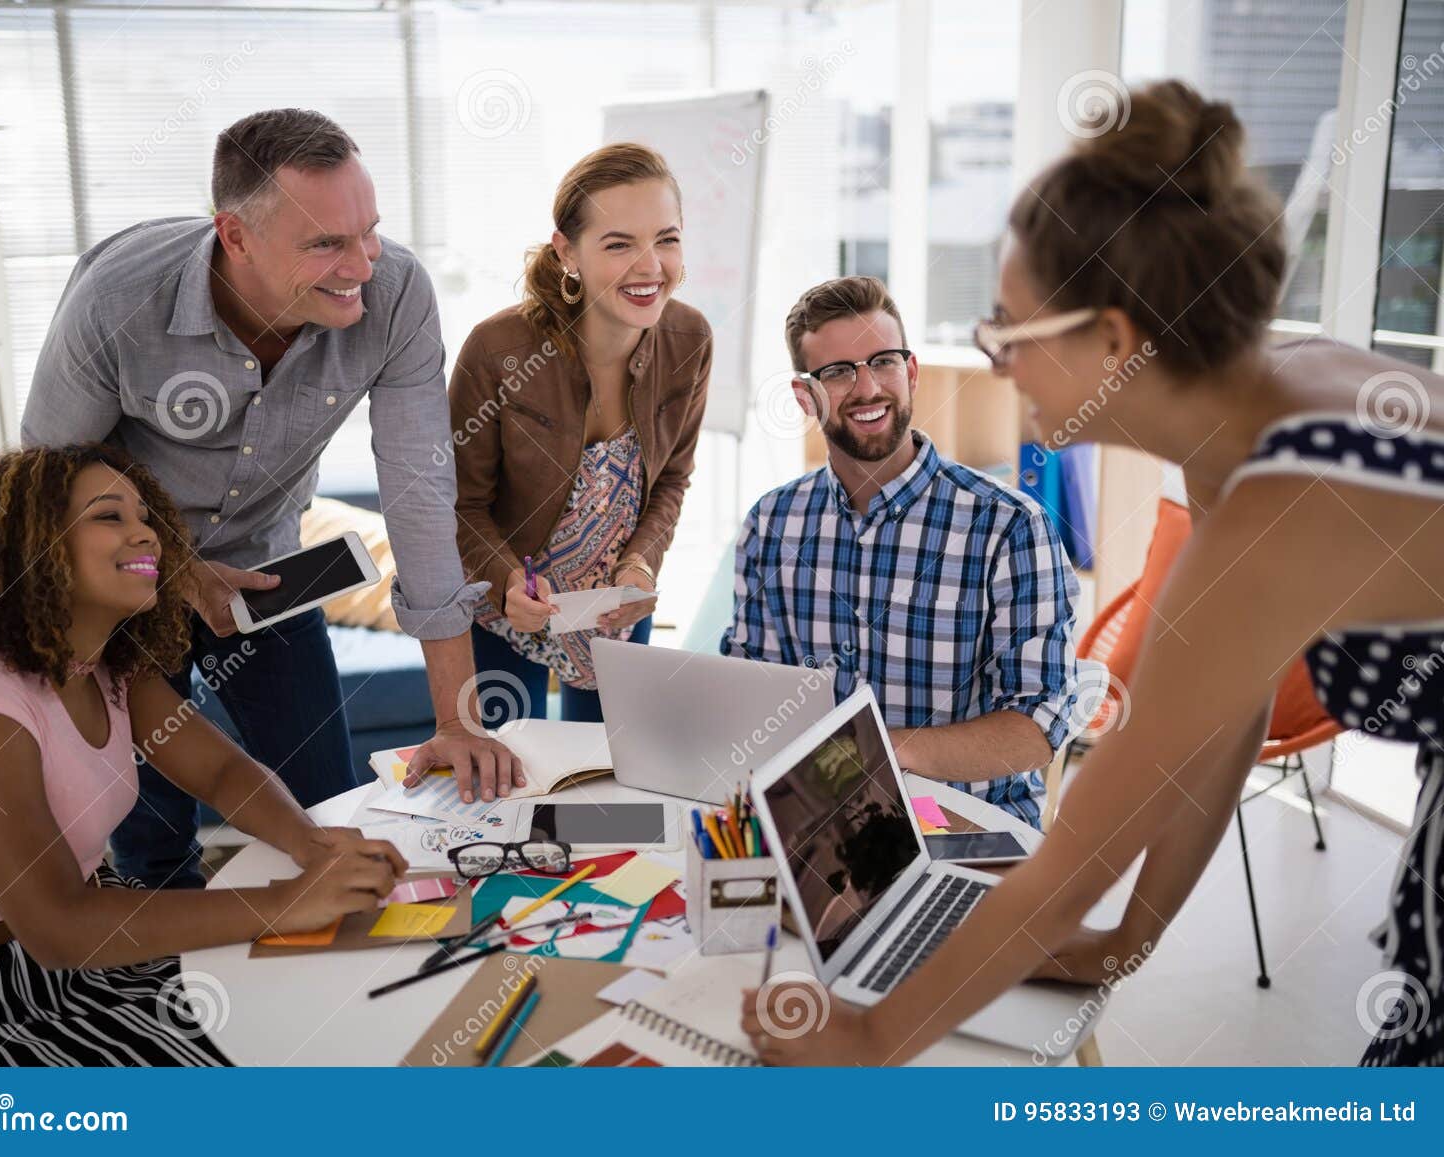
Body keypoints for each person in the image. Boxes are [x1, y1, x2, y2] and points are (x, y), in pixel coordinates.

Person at [740, 80, 1444, 1067]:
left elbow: (1082, 847)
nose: (995, 365)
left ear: (1110, 341)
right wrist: (1124, 942)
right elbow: (1219, 729)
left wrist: (864, 1040)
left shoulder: (1281, 500)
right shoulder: (1253, 413)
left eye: (1009, 333)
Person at [23, 108, 518, 889]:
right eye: (325, 243)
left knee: (328, 806)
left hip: (269, 573)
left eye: (369, 231)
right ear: (236, 235)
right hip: (128, 579)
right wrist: (179, 571)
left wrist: (456, 719)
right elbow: (48, 485)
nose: (362, 263)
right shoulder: (120, 298)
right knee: (152, 842)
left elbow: (420, 496)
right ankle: (170, 1004)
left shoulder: (396, 295)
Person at [0, 445, 405, 1066]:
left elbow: (221, 771)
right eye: (108, 517)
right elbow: (59, 927)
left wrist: (308, 843)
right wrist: (285, 904)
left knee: (322, 1015)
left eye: (146, 516)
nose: (144, 531)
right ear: (30, 547)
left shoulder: (108, 669)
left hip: (84, 941)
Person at [721, 276, 1080, 827]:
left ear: (910, 372)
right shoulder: (771, 525)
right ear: (804, 396)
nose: (867, 388)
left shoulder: (1009, 525)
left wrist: (880, 751)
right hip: (823, 829)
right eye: (838, 372)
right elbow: (751, 696)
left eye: (882, 361)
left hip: (967, 828)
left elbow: (1037, 727)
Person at [448, 143, 712, 722]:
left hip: (615, 606)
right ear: (567, 252)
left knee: (605, 790)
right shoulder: (497, 350)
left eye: (666, 239)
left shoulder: (690, 339)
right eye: (619, 244)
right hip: (504, 606)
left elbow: (671, 479)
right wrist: (506, 583)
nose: (651, 267)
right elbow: (461, 503)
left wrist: (641, 565)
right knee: (504, 781)